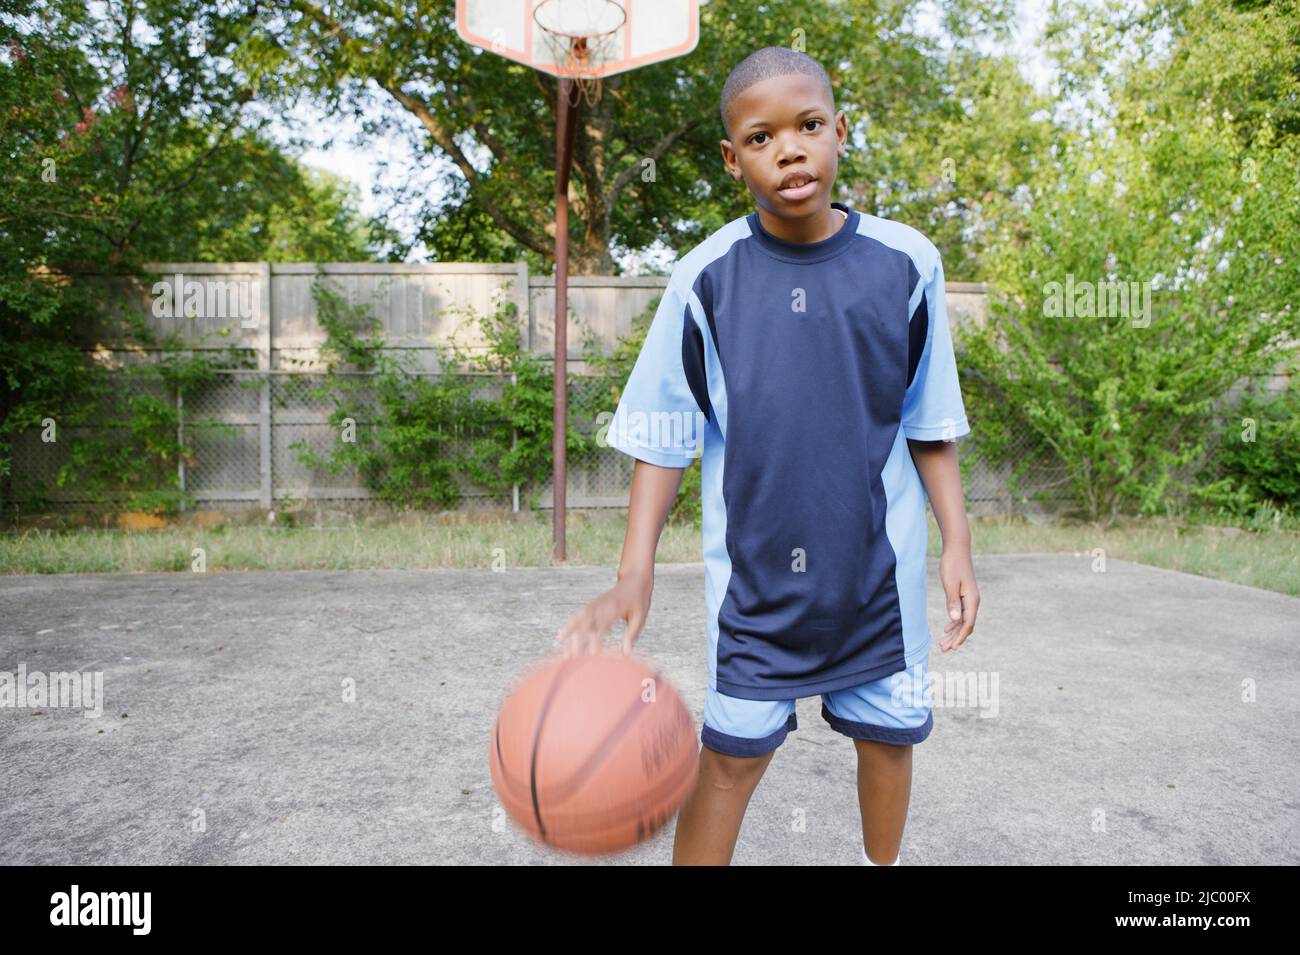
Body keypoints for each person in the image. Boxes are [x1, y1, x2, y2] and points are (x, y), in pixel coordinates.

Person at [555, 46, 980, 866]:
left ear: (840, 132)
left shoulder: (907, 264)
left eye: (809, 126)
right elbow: (663, 438)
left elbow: (928, 421)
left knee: (889, 744)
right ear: (732, 157)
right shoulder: (705, 277)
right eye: (761, 137)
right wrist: (633, 570)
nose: (790, 149)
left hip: (877, 582)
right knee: (731, 759)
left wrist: (958, 541)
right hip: (755, 590)